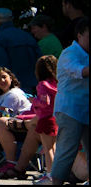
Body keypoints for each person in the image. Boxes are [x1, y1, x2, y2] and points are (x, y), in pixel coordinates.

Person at [0, 55, 60, 180]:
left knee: (47, 149)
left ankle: (51, 175)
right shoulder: (57, 84)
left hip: (45, 119)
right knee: (53, 147)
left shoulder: (43, 85)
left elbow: (44, 103)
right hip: (56, 119)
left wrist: (34, 101)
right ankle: (54, 173)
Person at [50, 17, 89, 186]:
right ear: (80, 35)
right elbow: (78, 71)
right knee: (67, 149)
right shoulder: (69, 53)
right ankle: (56, 183)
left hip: (85, 109)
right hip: (70, 110)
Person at [0, 8, 41, 93]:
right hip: (34, 86)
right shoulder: (27, 37)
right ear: (11, 19)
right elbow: (40, 61)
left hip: (13, 90)